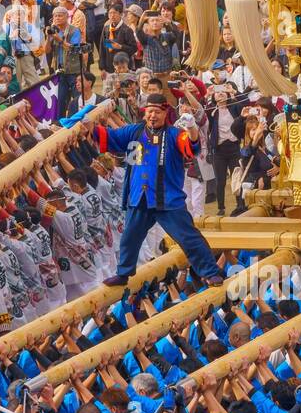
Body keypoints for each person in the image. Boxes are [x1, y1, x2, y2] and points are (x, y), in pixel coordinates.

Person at [85, 94, 224, 287]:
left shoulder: (175, 134)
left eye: (157, 112)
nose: (152, 116)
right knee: (129, 238)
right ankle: (123, 273)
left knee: (189, 237)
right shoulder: (134, 132)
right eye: (149, 111)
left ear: (165, 113)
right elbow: (108, 137)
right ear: (144, 113)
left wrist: (192, 127)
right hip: (139, 197)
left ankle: (210, 271)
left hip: (168, 199)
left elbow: (191, 146)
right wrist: (88, 123)